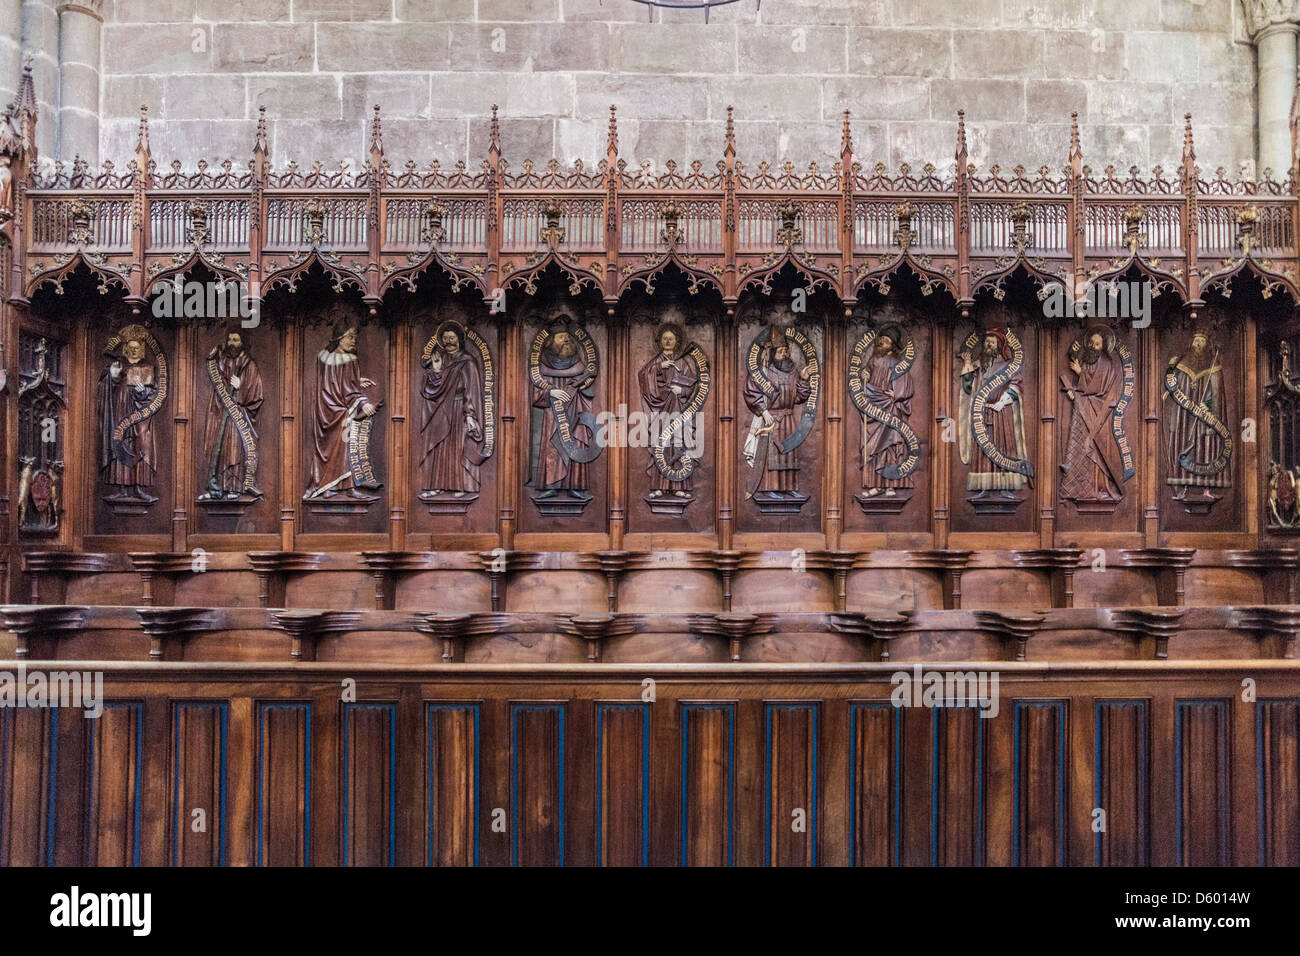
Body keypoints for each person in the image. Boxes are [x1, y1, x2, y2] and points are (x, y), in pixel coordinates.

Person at [305, 322, 379, 499]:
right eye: (350, 337)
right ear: (339, 338)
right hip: (333, 411)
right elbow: (344, 388)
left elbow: (340, 383)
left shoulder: (326, 357)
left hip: (328, 408)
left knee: (344, 450)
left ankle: (345, 487)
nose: (354, 341)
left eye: (355, 337)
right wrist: (363, 402)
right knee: (333, 450)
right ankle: (326, 487)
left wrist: (355, 380)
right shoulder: (346, 359)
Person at [419, 321, 484, 498]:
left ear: (460, 339)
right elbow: (432, 390)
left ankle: (460, 485)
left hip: (459, 409)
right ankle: (437, 485)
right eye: (445, 338)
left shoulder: (468, 361)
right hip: (441, 409)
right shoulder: (441, 359)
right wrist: (437, 369)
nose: (448, 341)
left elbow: (471, 389)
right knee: (440, 447)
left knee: (457, 446)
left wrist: (470, 415)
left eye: (452, 338)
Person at [200, 330, 264, 500]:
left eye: (236, 340)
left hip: (238, 414)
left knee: (234, 450)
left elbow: (257, 395)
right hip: (221, 413)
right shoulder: (222, 361)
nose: (232, 343)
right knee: (219, 448)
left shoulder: (249, 365)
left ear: (242, 342)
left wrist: (241, 387)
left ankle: (234, 487)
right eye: (230, 339)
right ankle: (217, 487)